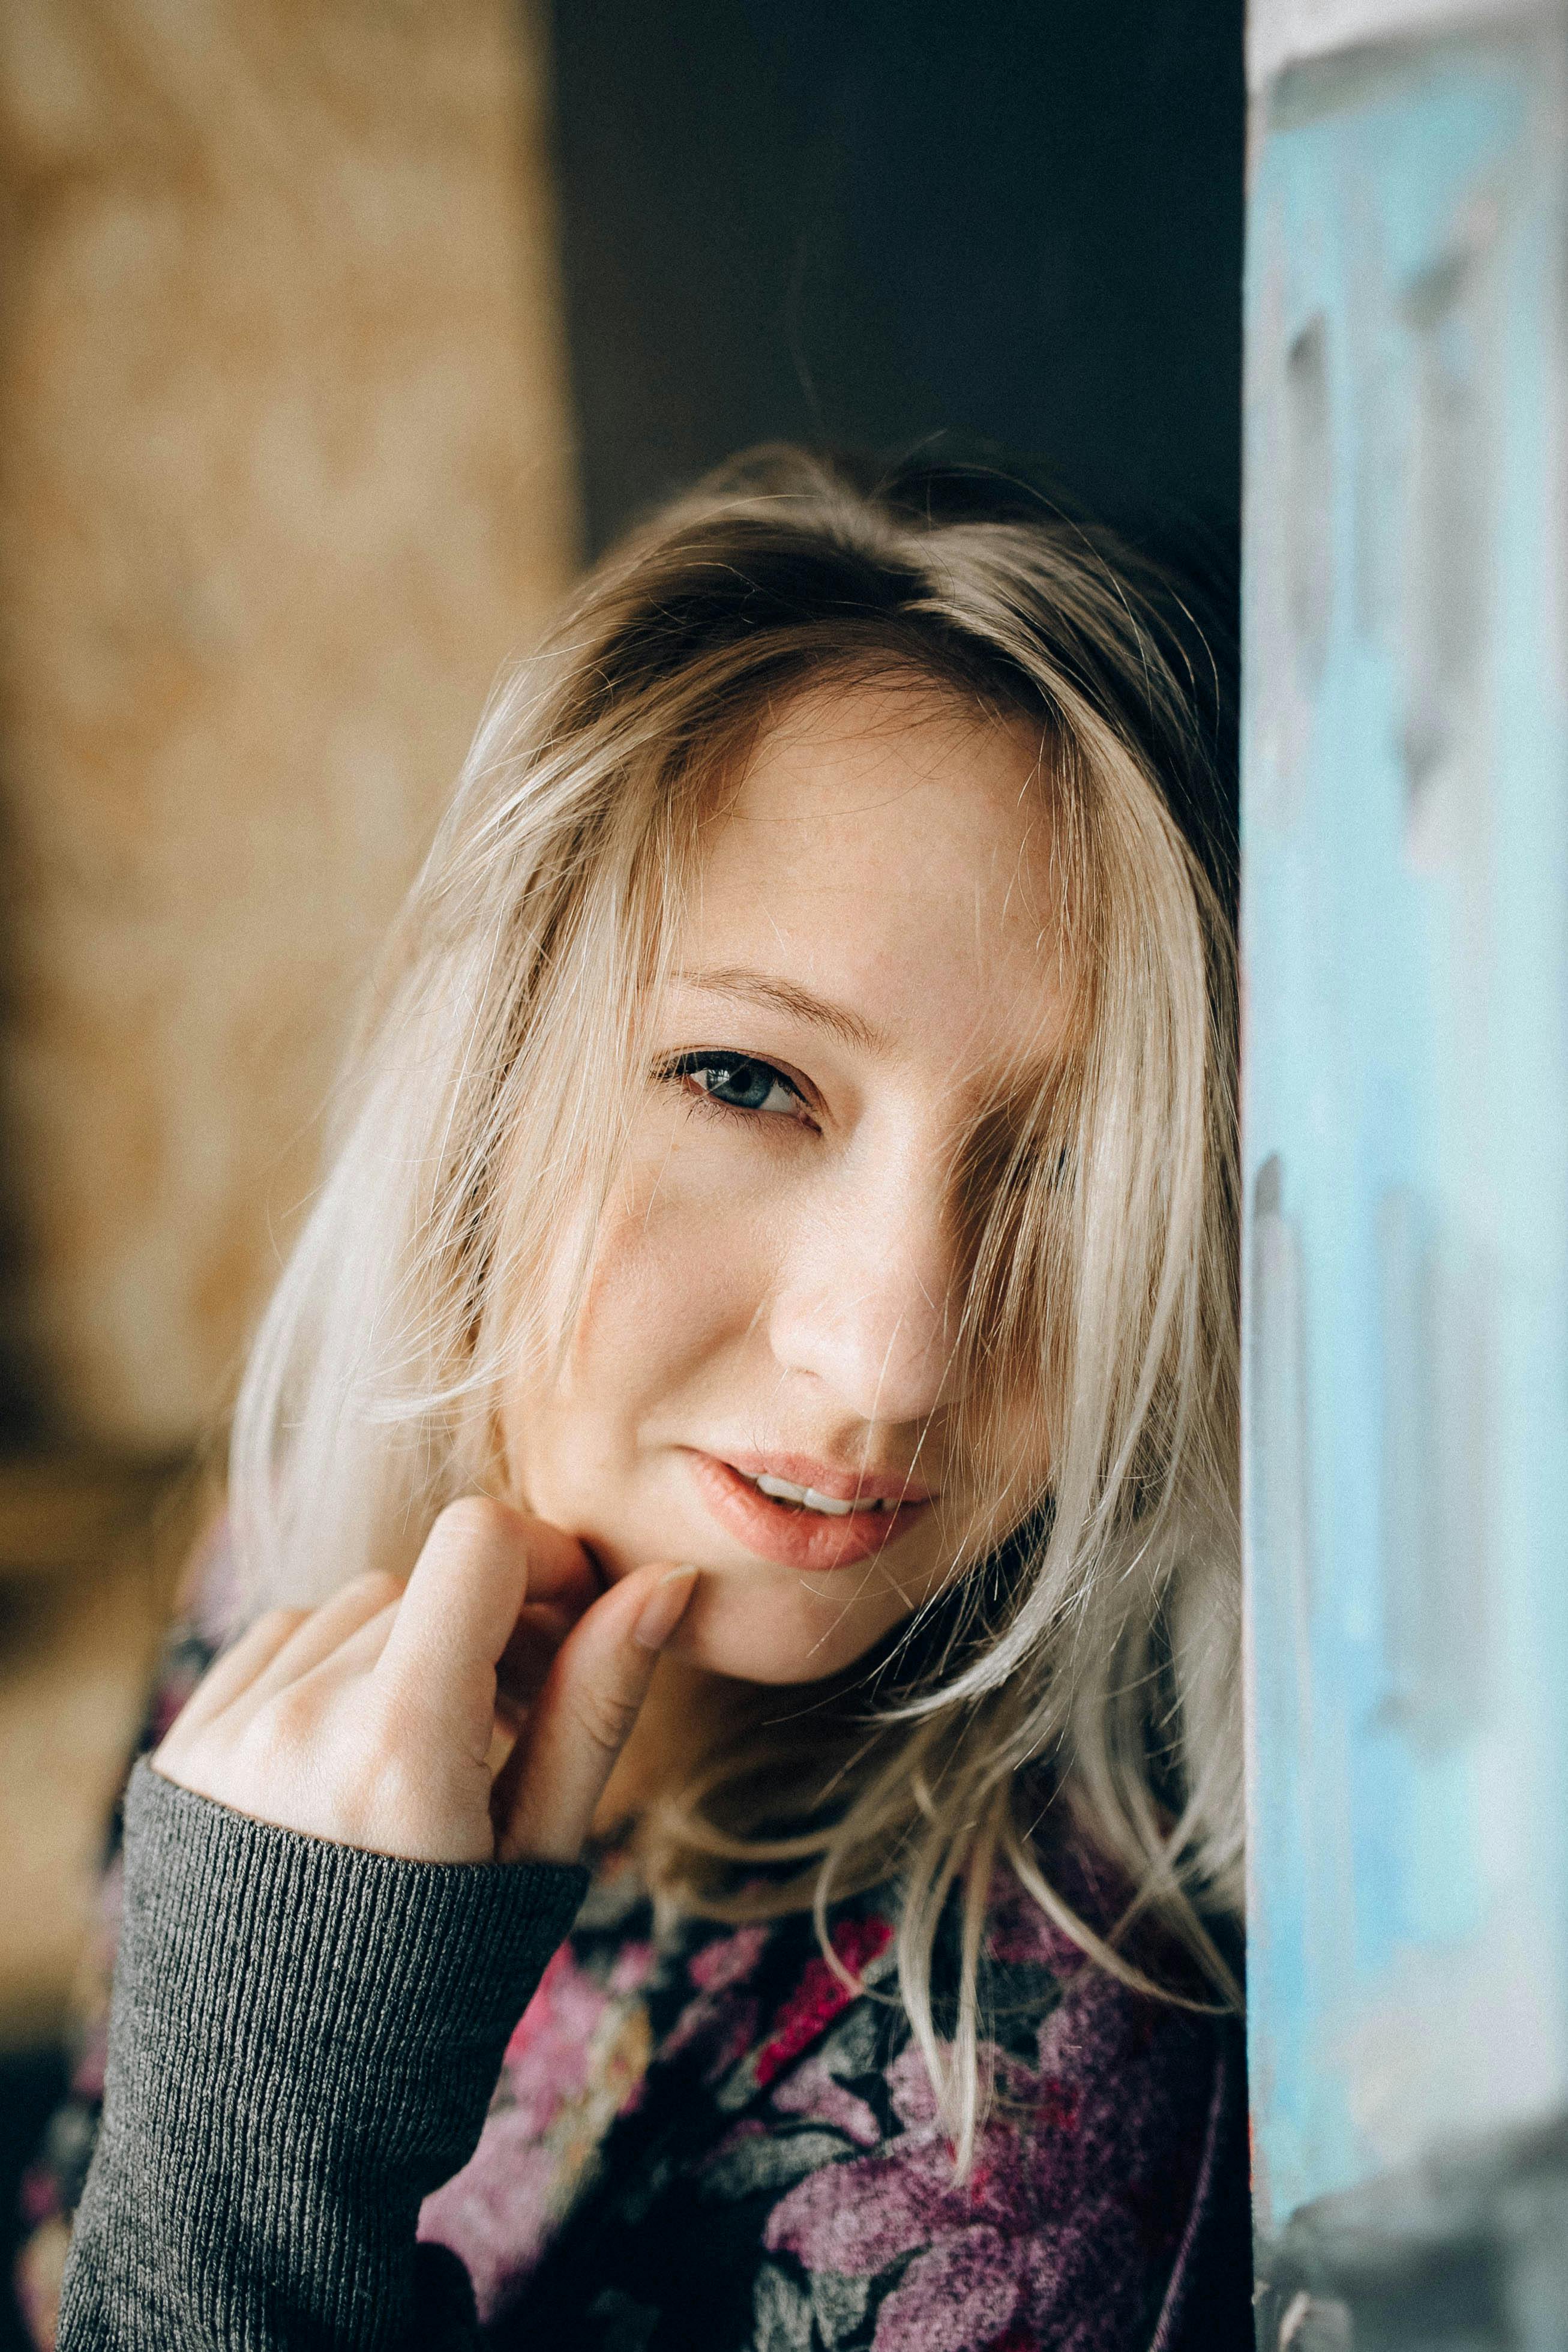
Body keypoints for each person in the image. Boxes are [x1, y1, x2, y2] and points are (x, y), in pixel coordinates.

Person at [23, 449, 1249, 2351]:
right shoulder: (279, 1564)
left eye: (1074, 1171)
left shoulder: (1016, 2112)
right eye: (748, 1082)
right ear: (490, 1072)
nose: (892, 1361)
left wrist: (254, 2135)